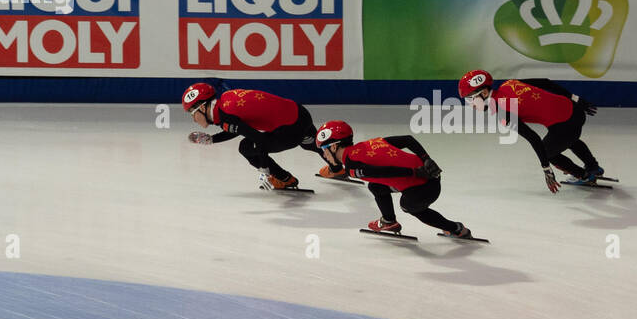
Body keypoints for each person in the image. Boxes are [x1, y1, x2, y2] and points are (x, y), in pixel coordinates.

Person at [315, 120, 474, 238]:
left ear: (334, 146)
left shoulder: (351, 167)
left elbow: (384, 172)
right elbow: (408, 139)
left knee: (408, 206)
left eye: (324, 150)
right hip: (430, 173)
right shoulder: (370, 143)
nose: (325, 155)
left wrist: (415, 173)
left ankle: (456, 229)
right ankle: (388, 221)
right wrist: (426, 159)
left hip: (423, 187)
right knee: (376, 187)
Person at [458, 69, 602, 192]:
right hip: (575, 110)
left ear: (483, 93)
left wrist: (547, 169)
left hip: (566, 124)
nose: (471, 105)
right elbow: (546, 82)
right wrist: (575, 98)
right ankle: (593, 166)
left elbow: (533, 138)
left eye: (471, 99)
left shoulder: (503, 111)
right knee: (566, 138)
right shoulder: (510, 83)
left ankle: (583, 176)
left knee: (548, 152)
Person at [182, 83, 344, 190]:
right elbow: (239, 127)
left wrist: (265, 170)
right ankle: (337, 168)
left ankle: (284, 179)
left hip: (290, 129)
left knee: (245, 147)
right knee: (309, 143)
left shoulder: (226, 116)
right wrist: (212, 139)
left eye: (192, 112)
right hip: (299, 113)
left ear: (202, 107)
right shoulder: (226, 100)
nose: (192, 118)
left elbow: (257, 140)